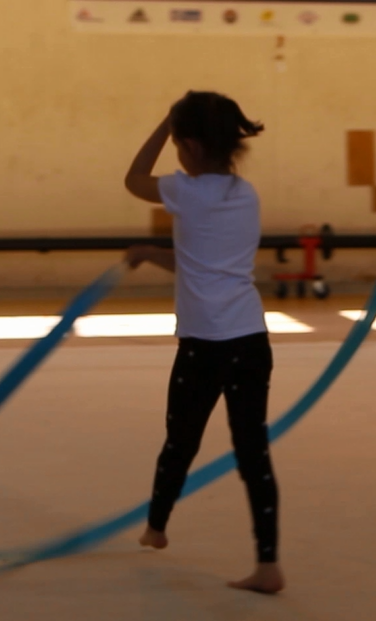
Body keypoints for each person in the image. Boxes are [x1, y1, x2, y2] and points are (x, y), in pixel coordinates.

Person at [122, 91, 284, 592]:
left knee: (180, 441)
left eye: (175, 142)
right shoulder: (245, 194)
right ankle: (268, 565)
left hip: (205, 344)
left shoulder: (184, 191)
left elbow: (132, 180)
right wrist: (154, 254)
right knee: (252, 452)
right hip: (250, 339)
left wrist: (161, 122)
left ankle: (156, 527)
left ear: (188, 145)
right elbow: (204, 262)